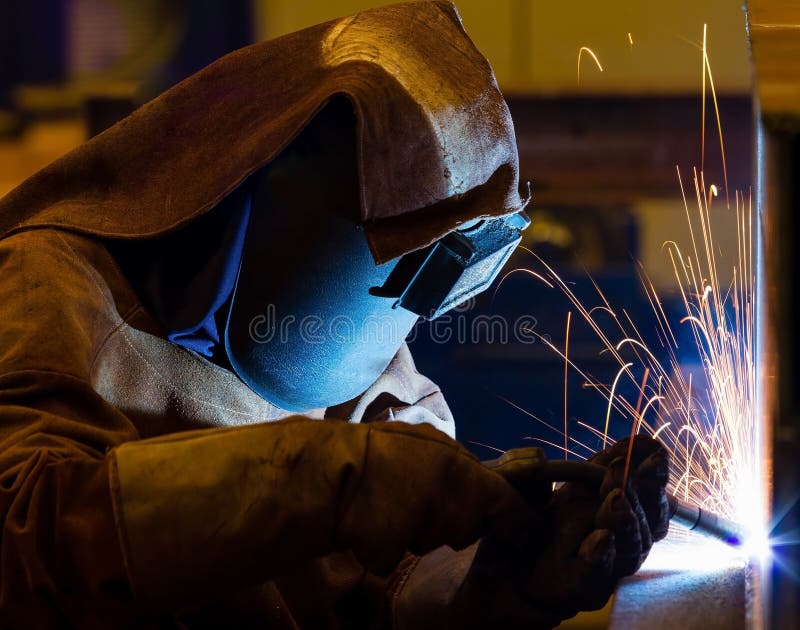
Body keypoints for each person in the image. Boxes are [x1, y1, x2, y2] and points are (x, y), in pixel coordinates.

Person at [0, 2, 670, 627]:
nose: (402, 316)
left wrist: (497, 585)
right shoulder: (48, 293)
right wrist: (323, 481)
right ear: (270, 174)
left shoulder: (371, 377)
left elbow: (399, 590)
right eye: (402, 260)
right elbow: (24, 538)